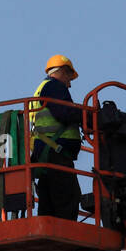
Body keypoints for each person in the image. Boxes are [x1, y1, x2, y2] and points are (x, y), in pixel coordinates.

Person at [28, 54, 84, 220]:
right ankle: (65, 232)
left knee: (48, 202)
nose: (70, 84)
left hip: (46, 153)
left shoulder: (42, 89)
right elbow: (64, 113)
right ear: (63, 71)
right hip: (56, 153)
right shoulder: (55, 86)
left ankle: (46, 230)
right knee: (69, 197)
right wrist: (88, 116)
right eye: (69, 78)